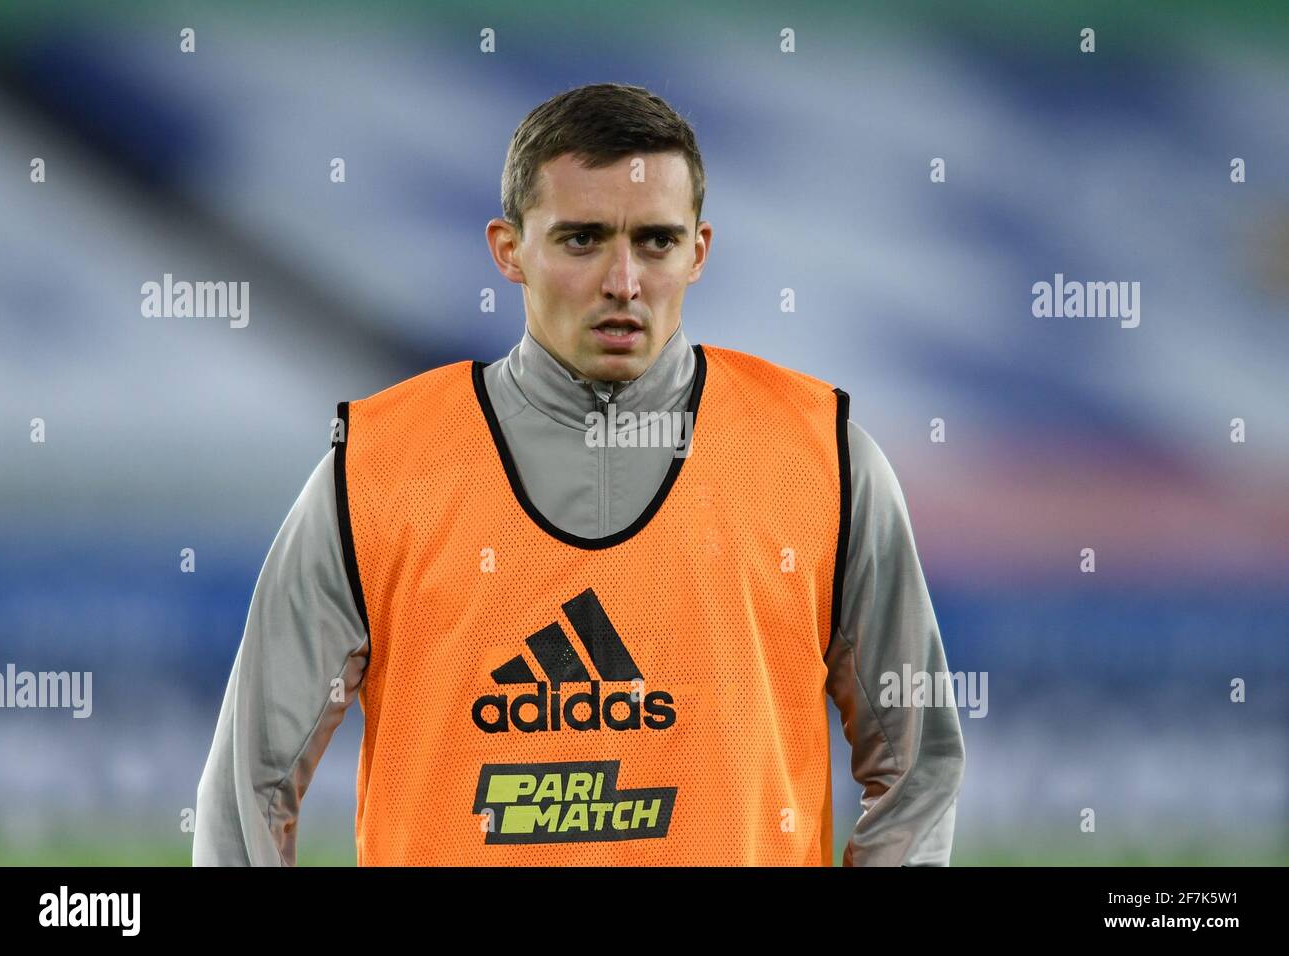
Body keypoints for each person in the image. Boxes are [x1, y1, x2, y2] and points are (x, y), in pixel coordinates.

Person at [193, 82, 964, 867]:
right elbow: (248, 785)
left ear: (698, 250)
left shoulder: (824, 462)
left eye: (656, 242)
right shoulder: (377, 470)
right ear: (509, 249)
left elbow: (918, 765)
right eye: (582, 239)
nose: (623, 282)